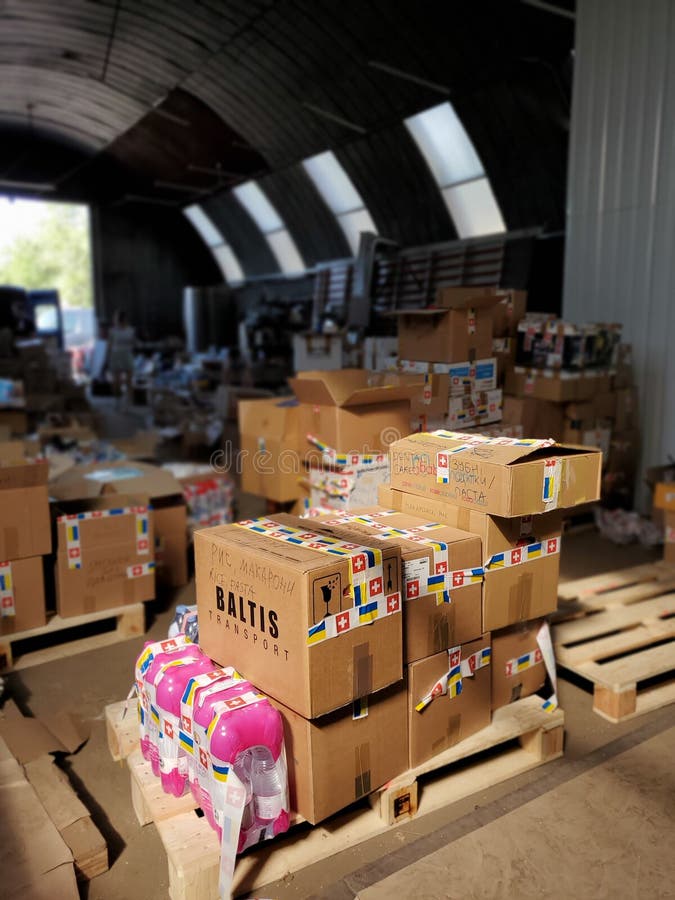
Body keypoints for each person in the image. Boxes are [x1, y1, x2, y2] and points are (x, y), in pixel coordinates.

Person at [108, 309, 135, 401]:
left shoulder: (113, 331)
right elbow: (133, 344)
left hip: (118, 354)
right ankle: (127, 400)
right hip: (125, 354)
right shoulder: (130, 330)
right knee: (127, 380)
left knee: (118, 380)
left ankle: (119, 400)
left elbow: (109, 346)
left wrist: (107, 358)